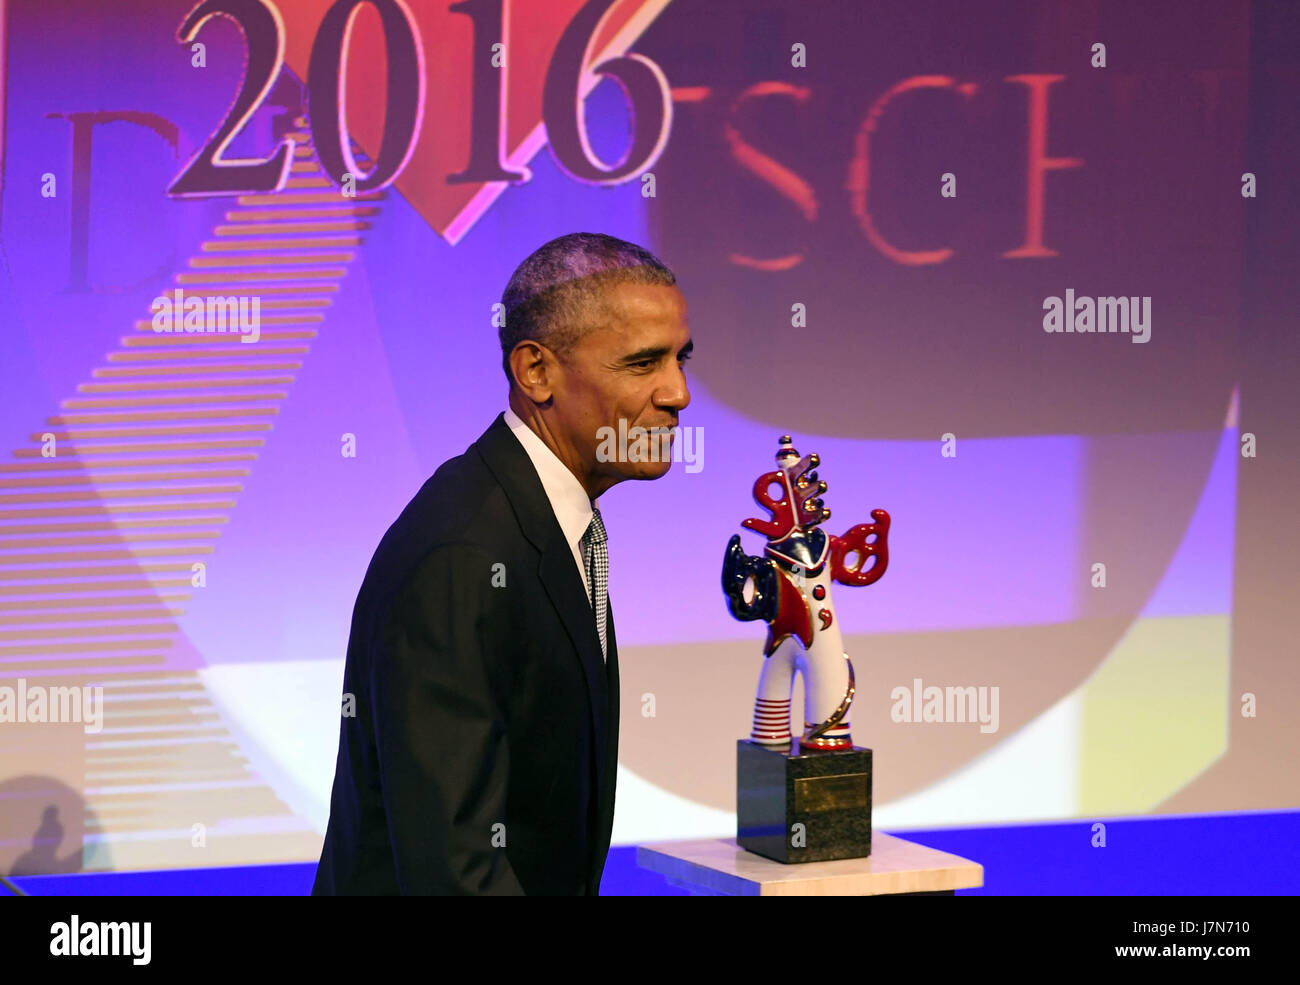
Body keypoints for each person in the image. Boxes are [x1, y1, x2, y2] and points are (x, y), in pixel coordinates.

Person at [312, 232, 692, 894]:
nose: (678, 393)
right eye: (643, 363)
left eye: (680, 358)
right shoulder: (463, 553)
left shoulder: (547, 520)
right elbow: (456, 870)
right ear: (535, 371)